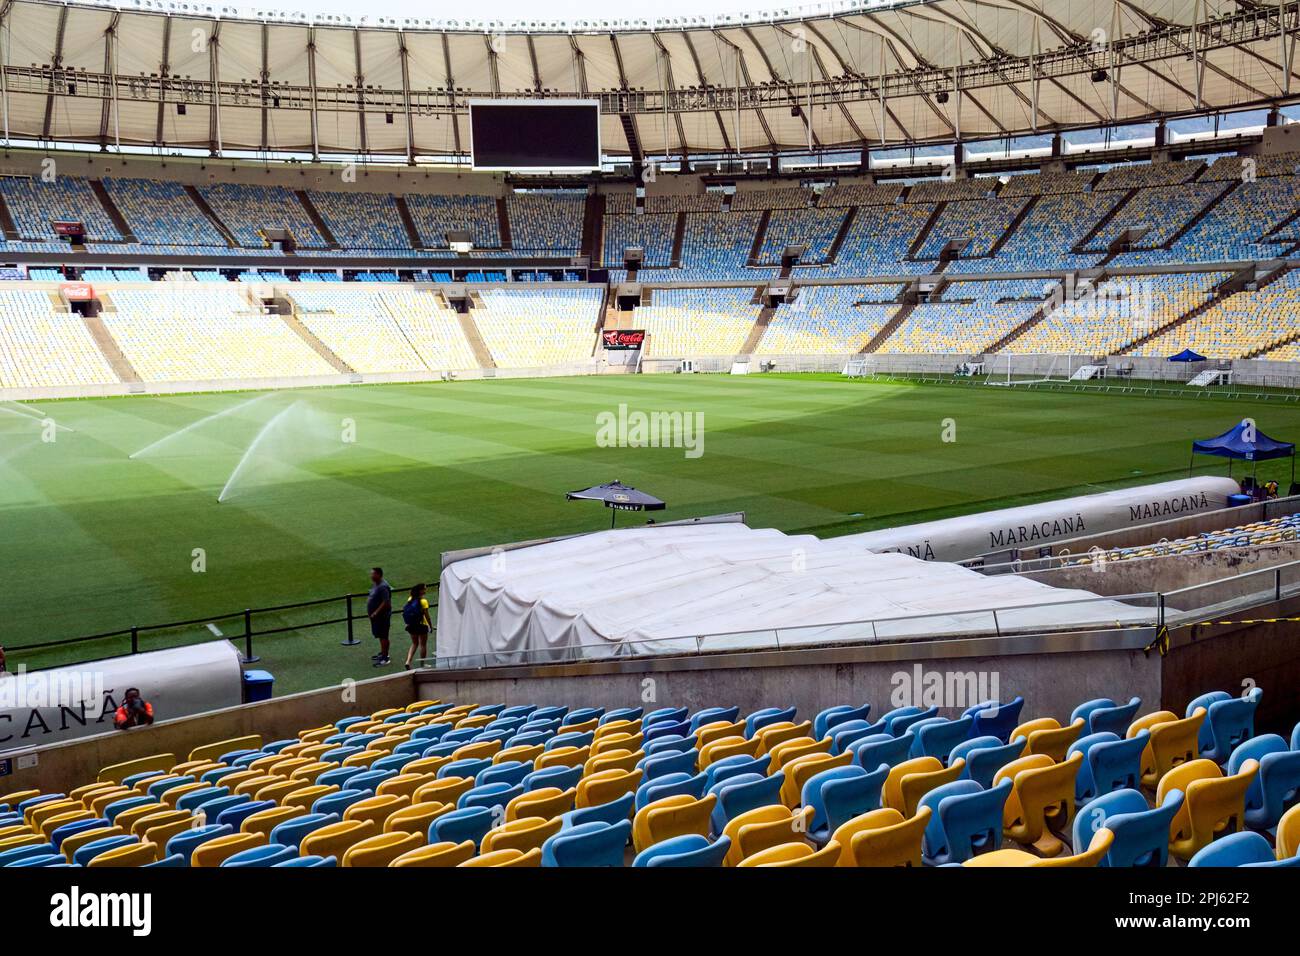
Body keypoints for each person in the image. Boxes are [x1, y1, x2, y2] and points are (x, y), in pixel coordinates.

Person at [402, 583, 432, 671]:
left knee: (414, 643)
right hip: (422, 625)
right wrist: (430, 625)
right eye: (425, 589)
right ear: (421, 590)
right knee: (423, 645)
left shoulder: (410, 599)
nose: (426, 590)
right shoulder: (424, 601)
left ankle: (408, 661)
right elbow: (427, 616)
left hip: (411, 625)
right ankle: (422, 664)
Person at [367, 567, 392, 667]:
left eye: (373, 574)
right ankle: (383, 653)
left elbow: (386, 602)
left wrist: (376, 613)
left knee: (383, 636)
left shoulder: (383, 587)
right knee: (380, 635)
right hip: (377, 617)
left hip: (382, 616)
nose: (371, 576)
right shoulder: (376, 584)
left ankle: (385, 658)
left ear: (378, 575)